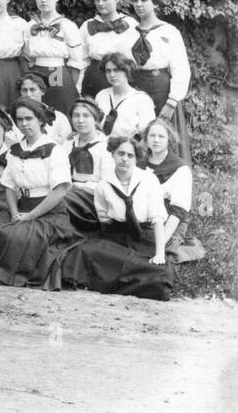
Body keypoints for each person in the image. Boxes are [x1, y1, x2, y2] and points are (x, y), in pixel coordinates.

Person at [0, 98, 82, 289]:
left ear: (41, 120)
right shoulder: (15, 150)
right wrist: (14, 211)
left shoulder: (54, 150)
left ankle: (6, 277)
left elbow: (60, 190)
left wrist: (30, 216)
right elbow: (9, 186)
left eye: (29, 118)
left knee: (18, 234)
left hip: (49, 212)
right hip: (22, 207)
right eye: (19, 120)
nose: (24, 124)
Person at [61, 136, 173, 300]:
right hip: (117, 237)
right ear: (112, 154)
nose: (125, 159)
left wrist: (160, 253)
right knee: (87, 252)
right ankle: (127, 280)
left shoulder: (148, 179)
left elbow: (157, 219)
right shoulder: (103, 185)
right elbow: (104, 219)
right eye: (120, 154)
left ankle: (130, 280)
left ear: (136, 158)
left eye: (130, 155)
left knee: (160, 271)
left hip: (144, 236)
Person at [128, 0, 192, 157]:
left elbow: (181, 69)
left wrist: (172, 102)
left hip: (161, 89)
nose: (139, 4)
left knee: (161, 132)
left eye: (144, 0)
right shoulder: (129, 32)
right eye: (135, 0)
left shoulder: (169, 31)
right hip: (136, 87)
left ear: (155, 4)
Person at [142, 119, 205, 263]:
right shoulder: (139, 164)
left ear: (169, 139)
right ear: (146, 138)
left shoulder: (180, 169)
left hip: (169, 218)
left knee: (149, 249)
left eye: (161, 136)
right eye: (152, 136)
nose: (156, 140)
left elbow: (178, 212)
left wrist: (160, 243)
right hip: (142, 214)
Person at [23, 0, 83, 116]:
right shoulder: (29, 26)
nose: (43, 0)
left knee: (59, 113)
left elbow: (77, 63)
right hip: (36, 74)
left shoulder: (67, 26)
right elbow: (26, 57)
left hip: (59, 76)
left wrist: (71, 86)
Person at [76, 0, 136, 99]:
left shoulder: (131, 24)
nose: (101, 3)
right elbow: (80, 61)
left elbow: (137, 59)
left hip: (122, 78)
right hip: (94, 79)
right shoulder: (87, 25)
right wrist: (78, 88)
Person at [63, 97, 114, 233]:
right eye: (76, 116)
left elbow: (107, 185)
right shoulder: (68, 145)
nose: (80, 120)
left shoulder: (105, 147)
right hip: (67, 193)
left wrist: (78, 186)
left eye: (86, 116)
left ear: (96, 119)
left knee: (60, 200)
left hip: (92, 200)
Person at [94, 53, 157, 138]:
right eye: (108, 71)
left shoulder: (142, 100)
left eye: (116, 70)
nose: (112, 75)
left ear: (127, 71)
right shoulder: (101, 96)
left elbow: (146, 135)